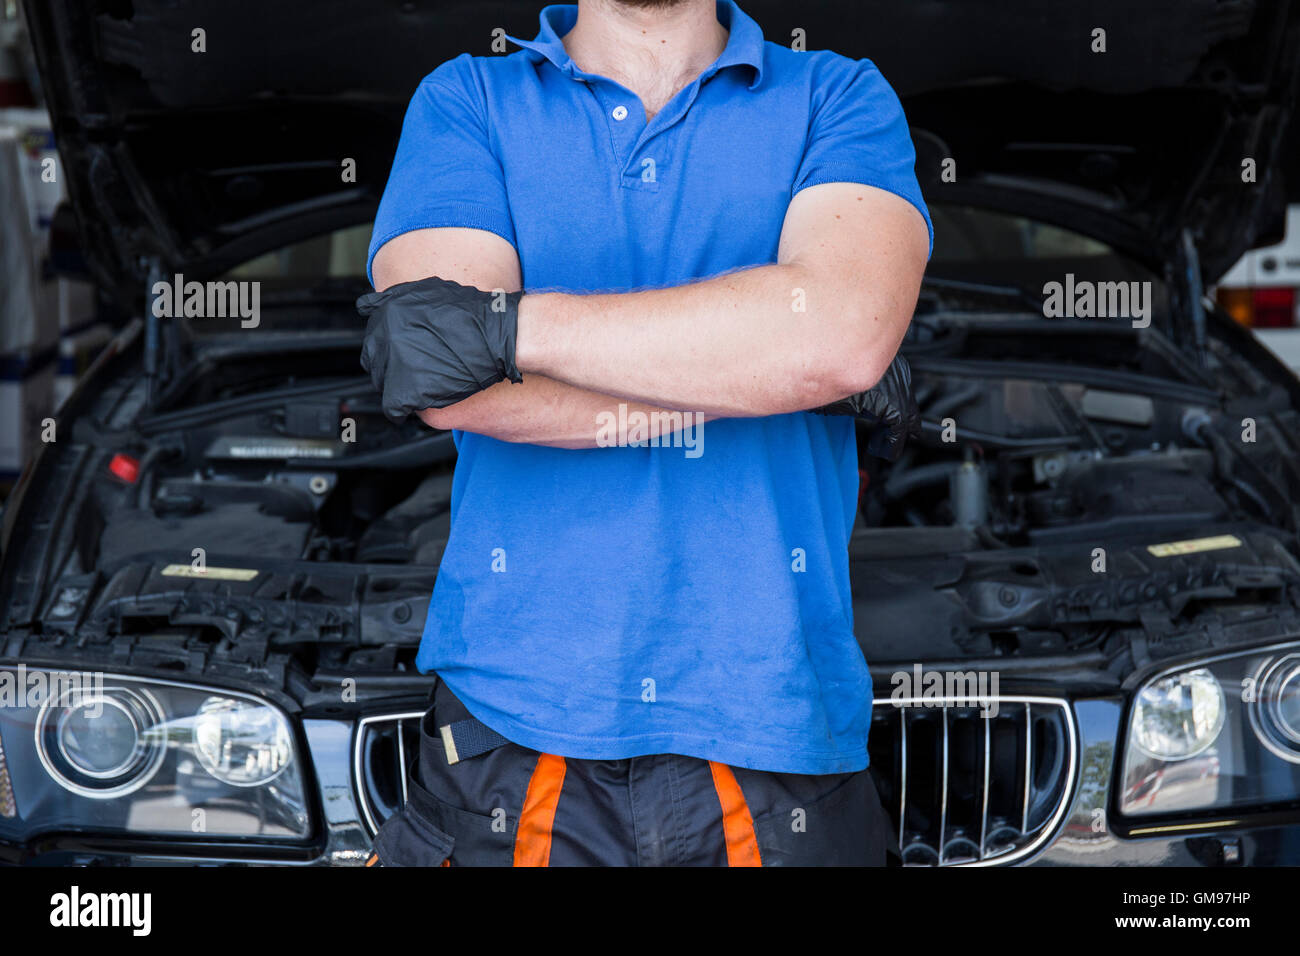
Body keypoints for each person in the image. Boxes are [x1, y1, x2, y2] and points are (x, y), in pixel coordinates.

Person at [361, 0, 931, 866]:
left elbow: (843, 339)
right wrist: (775, 375)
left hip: (776, 726)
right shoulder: (466, 98)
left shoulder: (838, 95)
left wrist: (512, 329)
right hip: (517, 728)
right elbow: (447, 378)